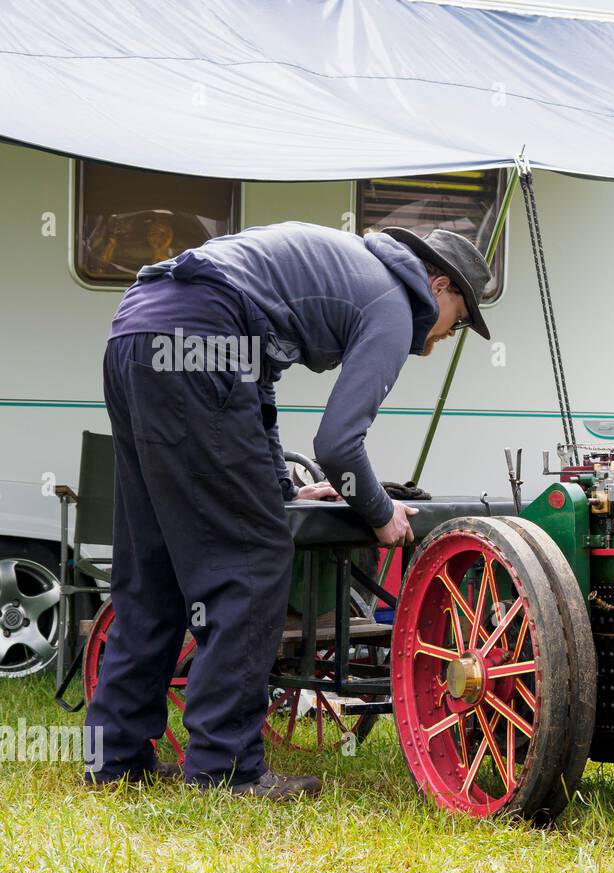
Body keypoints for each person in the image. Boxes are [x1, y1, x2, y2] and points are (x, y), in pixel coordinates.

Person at [83, 221, 492, 798]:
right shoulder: (395, 304)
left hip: (136, 329)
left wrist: (279, 487)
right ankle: (227, 769)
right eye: (462, 315)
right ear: (438, 284)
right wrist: (379, 513)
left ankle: (116, 757)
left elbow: (259, 383)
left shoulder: (348, 267)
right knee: (250, 562)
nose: (456, 331)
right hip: (203, 329)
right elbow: (338, 446)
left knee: (152, 562)